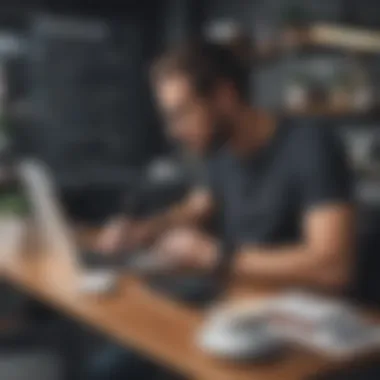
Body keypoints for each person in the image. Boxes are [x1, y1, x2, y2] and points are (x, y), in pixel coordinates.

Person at [86, 39, 354, 379]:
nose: (174, 131)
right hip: (232, 307)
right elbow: (199, 206)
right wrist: (145, 230)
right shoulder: (221, 150)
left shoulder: (310, 146)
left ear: (225, 97)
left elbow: (333, 266)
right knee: (107, 368)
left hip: (289, 333)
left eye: (181, 113)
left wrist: (216, 256)